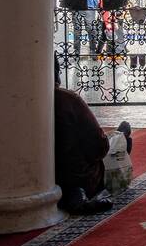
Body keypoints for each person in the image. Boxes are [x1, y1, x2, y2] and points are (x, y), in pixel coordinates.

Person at [54, 59, 132, 215]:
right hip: (80, 176)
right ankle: (76, 194)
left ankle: (74, 194)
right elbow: (99, 147)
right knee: (124, 134)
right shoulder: (67, 99)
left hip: (50, 176)